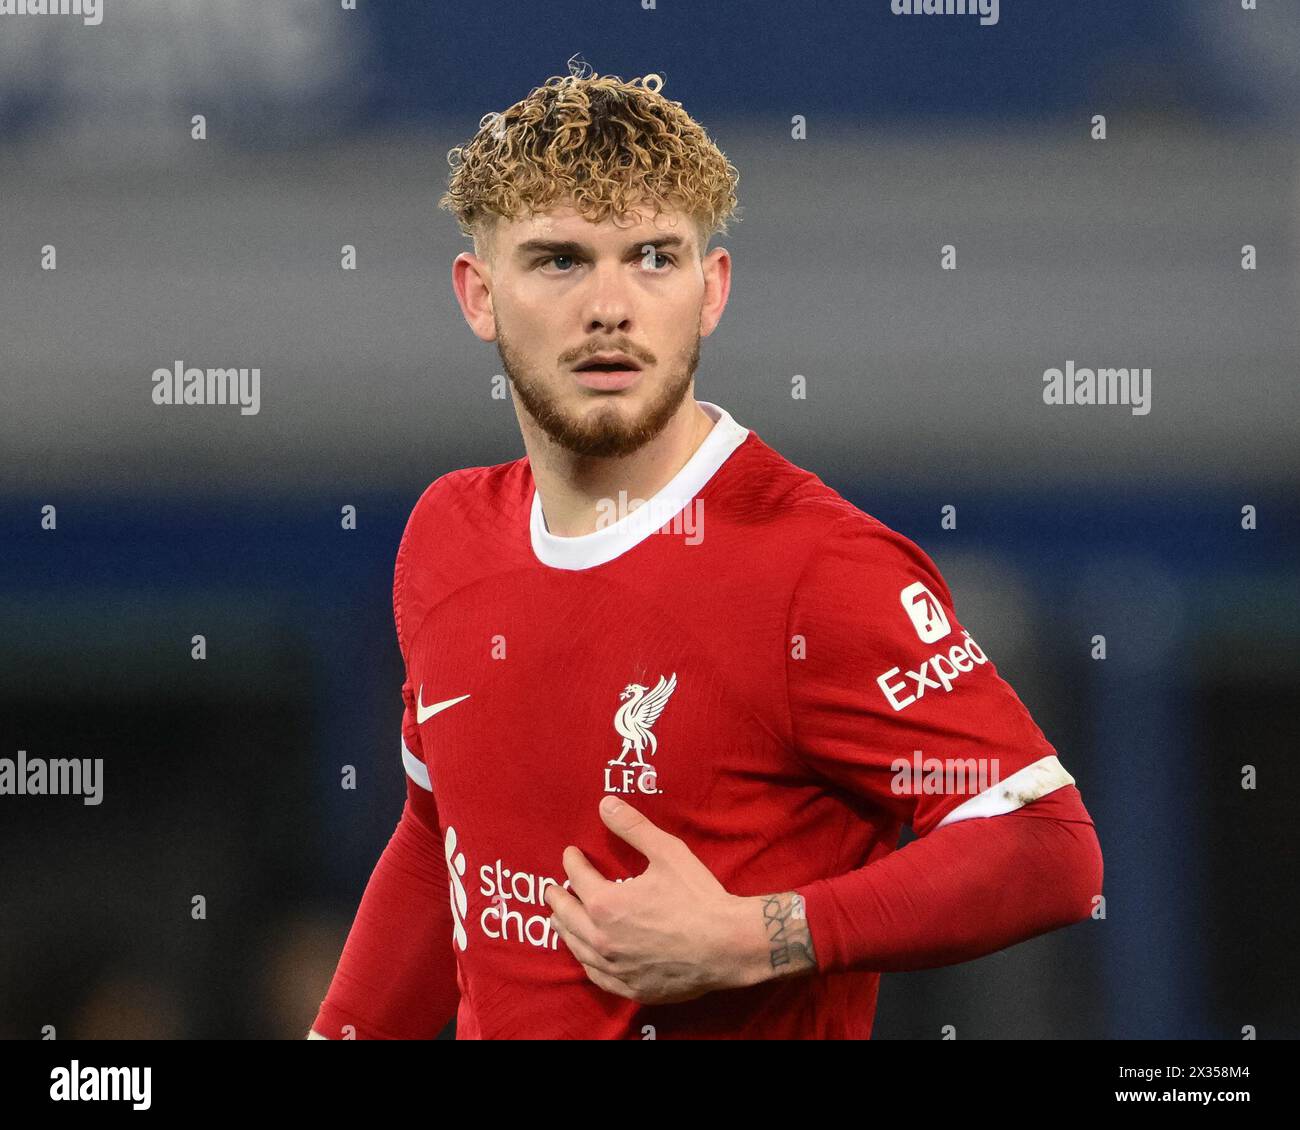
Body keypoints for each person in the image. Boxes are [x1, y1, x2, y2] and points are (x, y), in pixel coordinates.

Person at [309, 61, 1102, 1040]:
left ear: (710, 287)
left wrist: (753, 935)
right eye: (560, 259)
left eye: (652, 256)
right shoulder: (447, 533)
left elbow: (1044, 844)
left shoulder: (817, 569)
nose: (611, 305)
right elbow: (440, 844)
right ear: (478, 293)